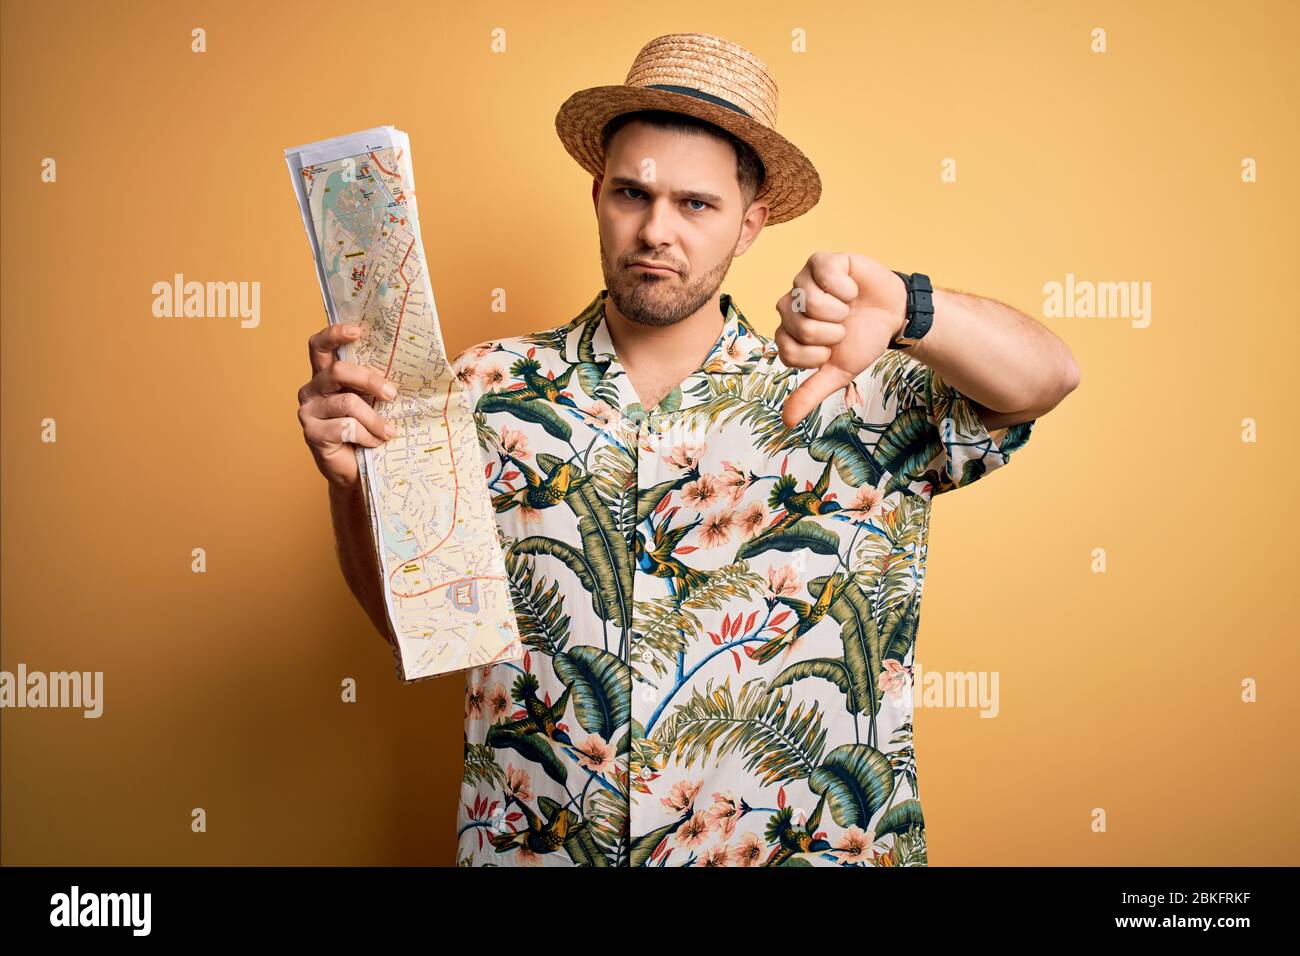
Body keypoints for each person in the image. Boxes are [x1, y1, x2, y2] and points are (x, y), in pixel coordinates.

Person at [295, 32, 1079, 867]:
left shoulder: (860, 389)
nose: (655, 230)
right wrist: (348, 485)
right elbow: (412, 628)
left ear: (751, 224)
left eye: (696, 205)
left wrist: (915, 309)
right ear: (598, 194)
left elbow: (1047, 377)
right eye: (633, 193)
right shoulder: (483, 386)